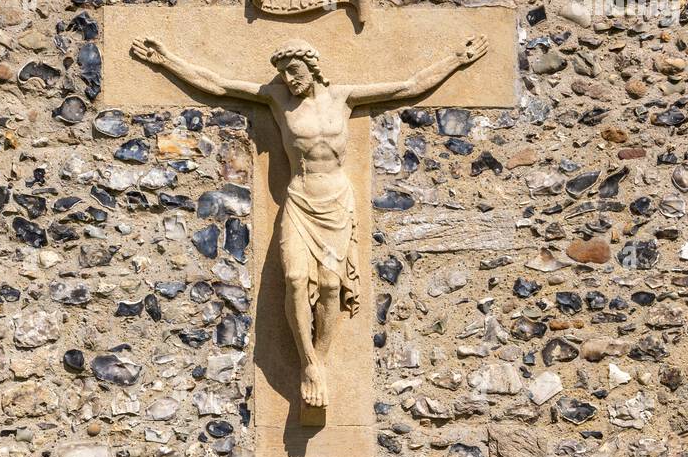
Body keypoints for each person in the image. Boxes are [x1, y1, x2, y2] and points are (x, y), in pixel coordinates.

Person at [131, 33, 488, 414]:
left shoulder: (344, 98)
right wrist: (166, 60)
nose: (288, 78)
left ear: (312, 67)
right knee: (296, 280)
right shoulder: (277, 99)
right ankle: (310, 366)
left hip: (336, 201)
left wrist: (456, 59)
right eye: (283, 72)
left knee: (332, 285)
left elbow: (408, 85)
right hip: (300, 199)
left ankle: (321, 357)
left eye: (293, 70)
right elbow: (218, 84)